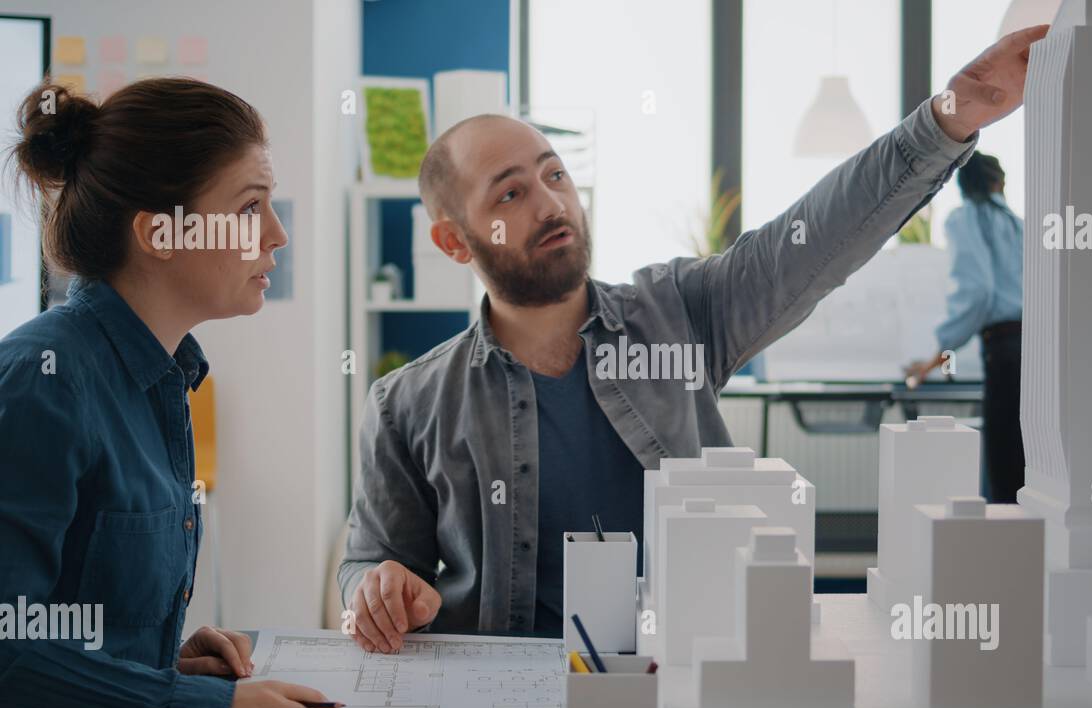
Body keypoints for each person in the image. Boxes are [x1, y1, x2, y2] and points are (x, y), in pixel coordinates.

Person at [340, 26, 1052, 653]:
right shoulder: (406, 404)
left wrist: (952, 115)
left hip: (672, 682)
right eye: (510, 193)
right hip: (496, 700)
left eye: (554, 173)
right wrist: (376, 589)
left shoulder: (680, 312)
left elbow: (814, 238)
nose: (551, 201)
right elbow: (368, 564)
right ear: (454, 241)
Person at [0, 79, 359, 708]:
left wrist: (158, 666)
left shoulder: (165, 378)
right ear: (159, 234)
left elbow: (69, 631)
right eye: (250, 209)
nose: (277, 234)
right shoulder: (41, 381)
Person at [905, 151, 1026, 502]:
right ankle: (1029, 550)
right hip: (1034, 349)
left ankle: (1004, 549)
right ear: (997, 181)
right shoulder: (1017, 224)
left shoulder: (965, 220)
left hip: (1004, 351)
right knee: (1027, 460)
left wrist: (935, 357)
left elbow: (977, 292)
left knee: (1003, 461)